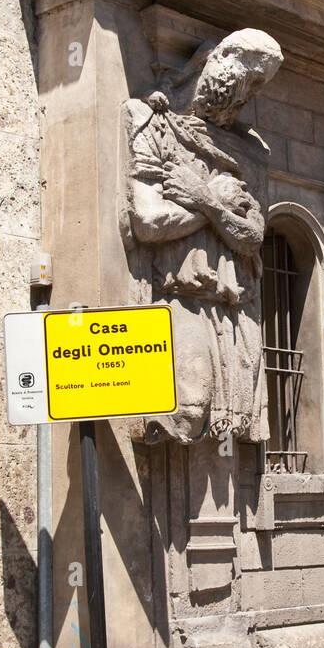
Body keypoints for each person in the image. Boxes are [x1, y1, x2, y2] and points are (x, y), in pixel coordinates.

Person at [122, 29, 283, 442]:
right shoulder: (150, 122)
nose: (250, 94)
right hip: (180, 301)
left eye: (260, 86)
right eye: (251, 77)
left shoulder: (252, 151)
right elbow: (148, 220)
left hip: (237, 308)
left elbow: (252, 238)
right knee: (190, 411)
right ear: (221, 57)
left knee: (234, 427)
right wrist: (214, 200)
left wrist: (203, 203)